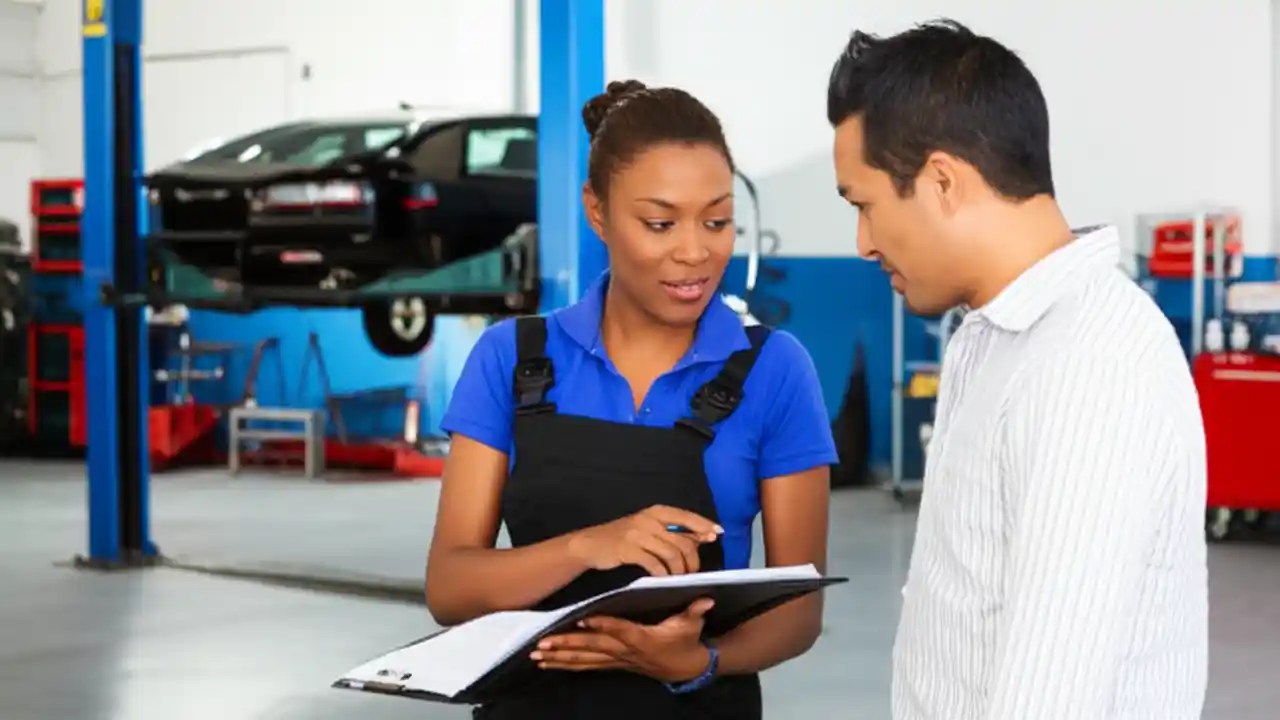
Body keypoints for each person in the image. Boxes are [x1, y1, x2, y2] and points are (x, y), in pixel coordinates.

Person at [825, 19, 1208, 720]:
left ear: (942, 180)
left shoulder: (1087, 364)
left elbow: (1051, 692)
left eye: (865, 206)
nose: (863, 243)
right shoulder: (997, 334)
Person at [426, 79, 838, 719]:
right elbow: (451, 588)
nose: (695, 251)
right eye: (659, 223)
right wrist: (586, 547)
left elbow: (800, 609)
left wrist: (696, 662)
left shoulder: (775, 370)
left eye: (718, 220)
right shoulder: (510, 359)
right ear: (597, 212)